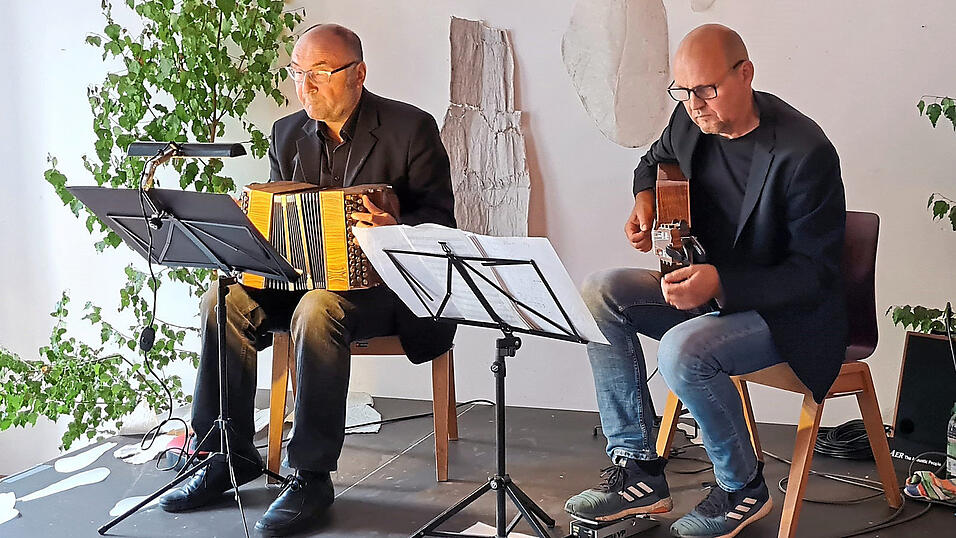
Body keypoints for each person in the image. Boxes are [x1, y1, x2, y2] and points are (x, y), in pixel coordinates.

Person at [159, 23, 456, 536]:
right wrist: (249, 225)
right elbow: (278, 222)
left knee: (318, 308)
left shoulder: (411, 129)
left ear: (358, 73)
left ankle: (311, 476)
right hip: (296, 284)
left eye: (320, 72)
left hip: (384, 291)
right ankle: (225, 454)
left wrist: (397, 229)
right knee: (222, 297)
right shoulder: (287, 133)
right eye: (299, 73)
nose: (306, 85)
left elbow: (443, 226)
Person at [564, 24, 846, 538]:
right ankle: (638, 471)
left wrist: (720, 284)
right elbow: (652, 162)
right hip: (707, 289)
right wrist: (644, 198)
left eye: (706, 90)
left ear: (746, 74)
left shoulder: (805, 153)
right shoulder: (690, 120)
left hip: (786, 313)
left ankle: (742, 488)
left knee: (683, 350)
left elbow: (815, 274)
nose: (693, 104)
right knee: (598, 293)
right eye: (683, 91)